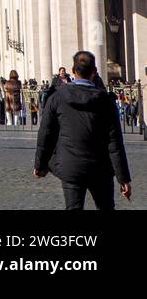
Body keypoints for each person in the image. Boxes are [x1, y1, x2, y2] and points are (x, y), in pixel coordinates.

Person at [34, 51, 132, 210]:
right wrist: (123, 178)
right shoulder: (106, 101)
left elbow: (46, 134)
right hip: (100, 167)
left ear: (73, 70)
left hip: (70, 166)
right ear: (94, 71)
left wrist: (40, 165)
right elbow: (114, 143)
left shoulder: (57, 97)